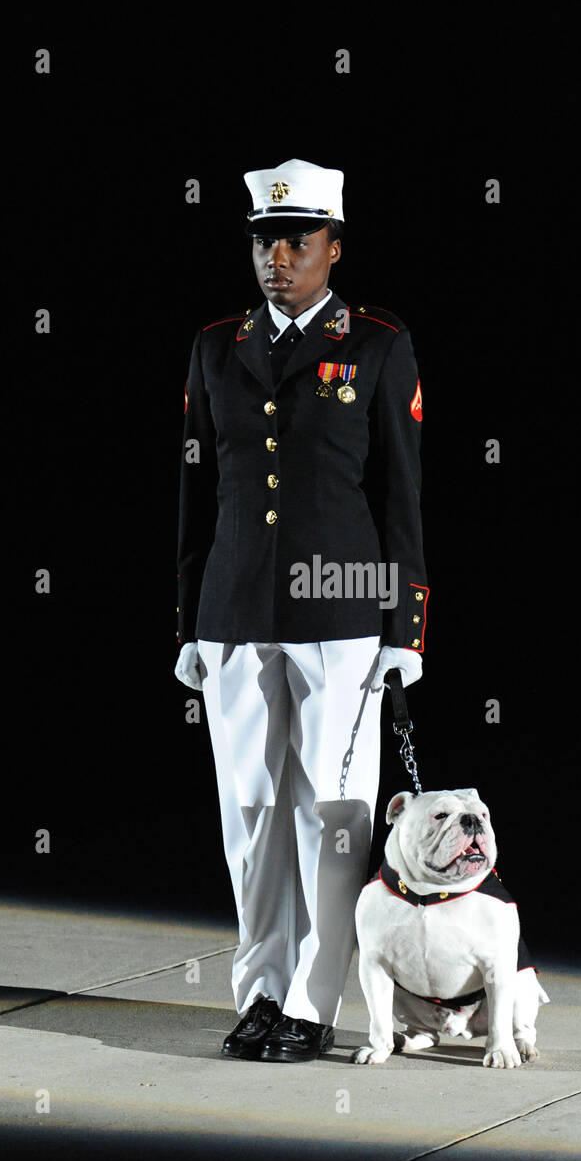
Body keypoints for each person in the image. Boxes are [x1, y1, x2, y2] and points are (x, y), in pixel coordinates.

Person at [174, 158, 429, 1062]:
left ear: (333, 247)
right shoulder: (216, 345)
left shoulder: (378, 343)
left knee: (330, 813)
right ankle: (261, 991)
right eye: (263, 240)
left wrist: (406, 627)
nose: (276, 256)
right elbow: (197, 497)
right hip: (236, 608)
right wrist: (188, 623)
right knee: (248, 811)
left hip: (345, 616)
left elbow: (400, 495)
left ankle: (315, 1004)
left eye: (297, 240)